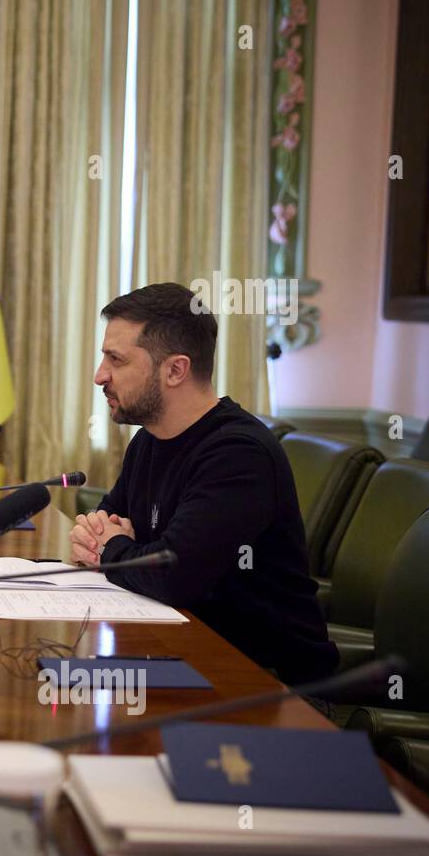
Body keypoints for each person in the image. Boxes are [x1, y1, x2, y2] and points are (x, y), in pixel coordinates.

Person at [70, 282, 336, 683]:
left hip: (266, 684)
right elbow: (106, 529)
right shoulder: (149, 439)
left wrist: (114, 546)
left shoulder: (238, 454)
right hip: (178, 655)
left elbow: (171, 575)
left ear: (175, 369)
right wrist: (102, 540)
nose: (99, 375)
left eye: (116, 360)